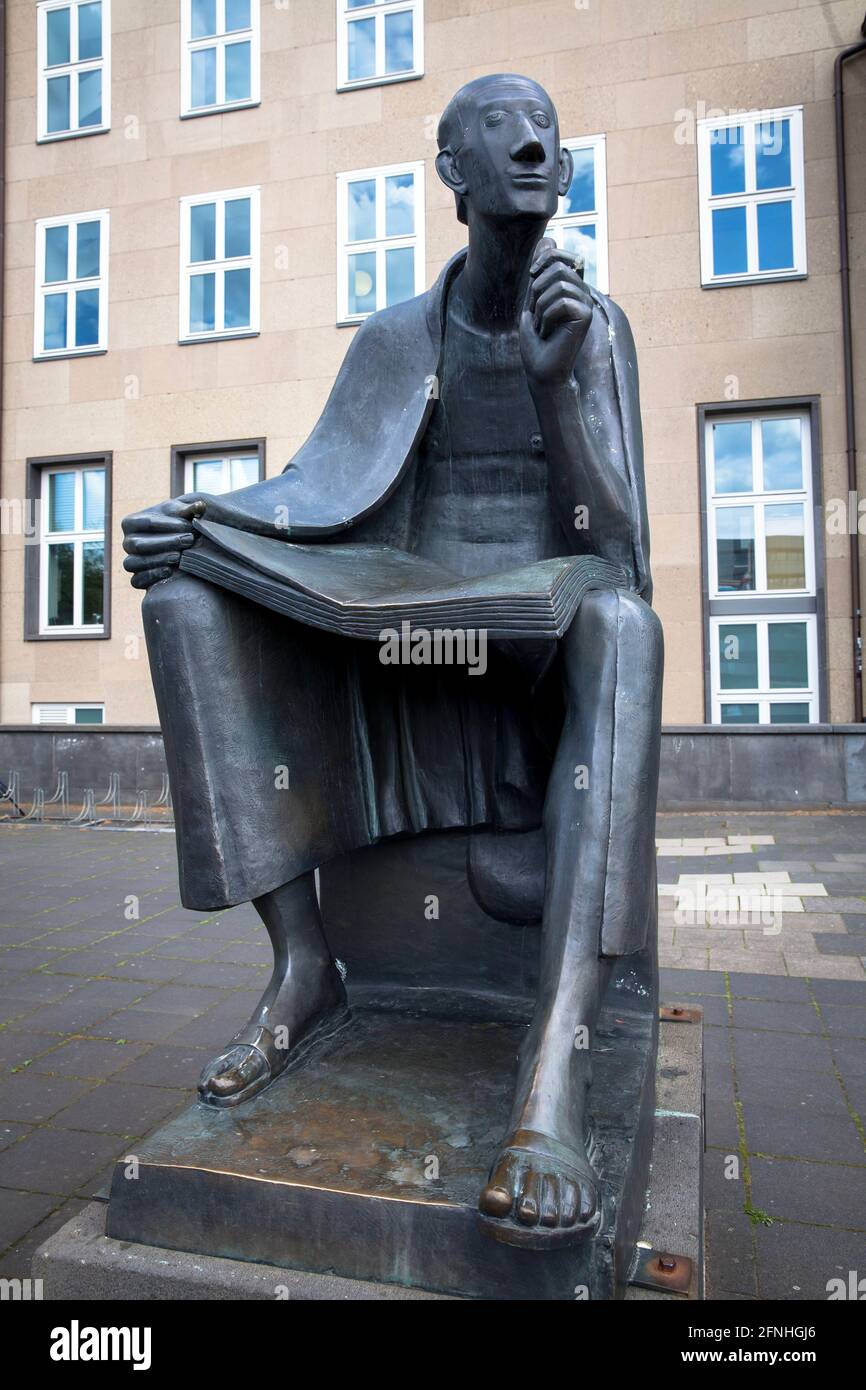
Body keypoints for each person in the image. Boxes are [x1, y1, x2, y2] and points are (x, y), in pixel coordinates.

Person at [121, 73, 663, 1248]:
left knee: (624, 632)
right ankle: (303, 966)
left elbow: (620, 557)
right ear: (451, 173)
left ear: (561, 172)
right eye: (498, 123)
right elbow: (313, 493)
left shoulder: (596, 324)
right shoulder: (394, 338)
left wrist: (561, 390)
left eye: (547, 128)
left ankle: (549, 1064)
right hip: (405, 635)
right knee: (186, 603)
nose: (531, 136)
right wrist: (201, 519)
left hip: (542, 644)